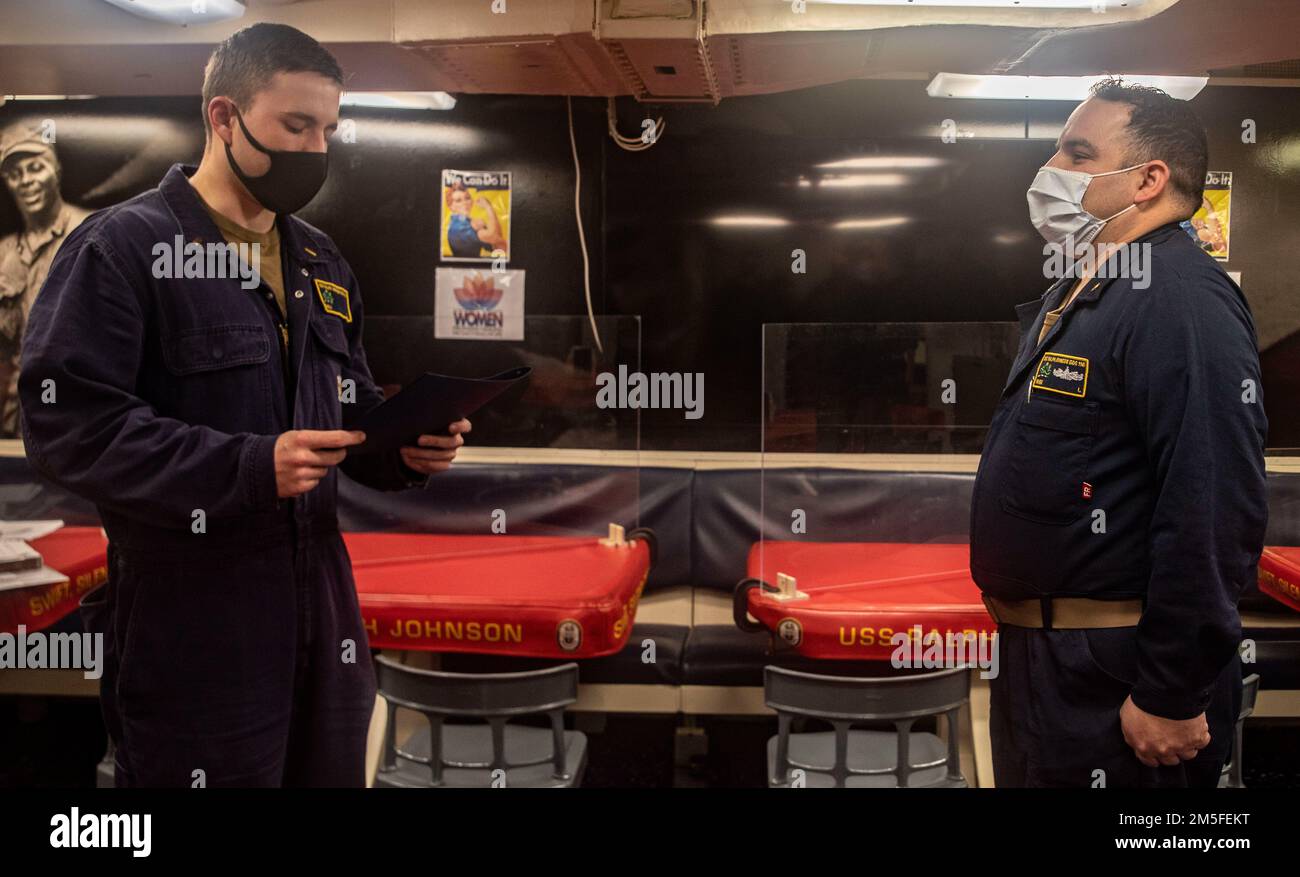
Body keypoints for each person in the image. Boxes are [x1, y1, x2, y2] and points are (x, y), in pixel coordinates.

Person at [19, 23, 469, 787]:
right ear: (223, 118)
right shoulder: (124, 248)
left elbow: (345, 403)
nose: (316, 149)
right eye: (295, 126)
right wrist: (247, 464)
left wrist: (399, 447)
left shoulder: (321, 259)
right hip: (193, 621)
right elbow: (69, 425)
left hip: (323, 613)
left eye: (327, 129)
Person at [969, 78, 1267, 787]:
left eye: (1077, 153)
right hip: (1043, 661)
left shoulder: (1179, 298)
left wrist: (1170, 689)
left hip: (1114, 670)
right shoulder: (1080, 294)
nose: (1052, 172)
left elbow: (1212, 504)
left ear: (1148, 179)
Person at [0, 123, 91, 437]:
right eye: (14, 174)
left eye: (35, 168)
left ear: (57, 170)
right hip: (16, 422)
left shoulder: (93, 232)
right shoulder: (4, 253)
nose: (26, 181)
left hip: (81, 419)